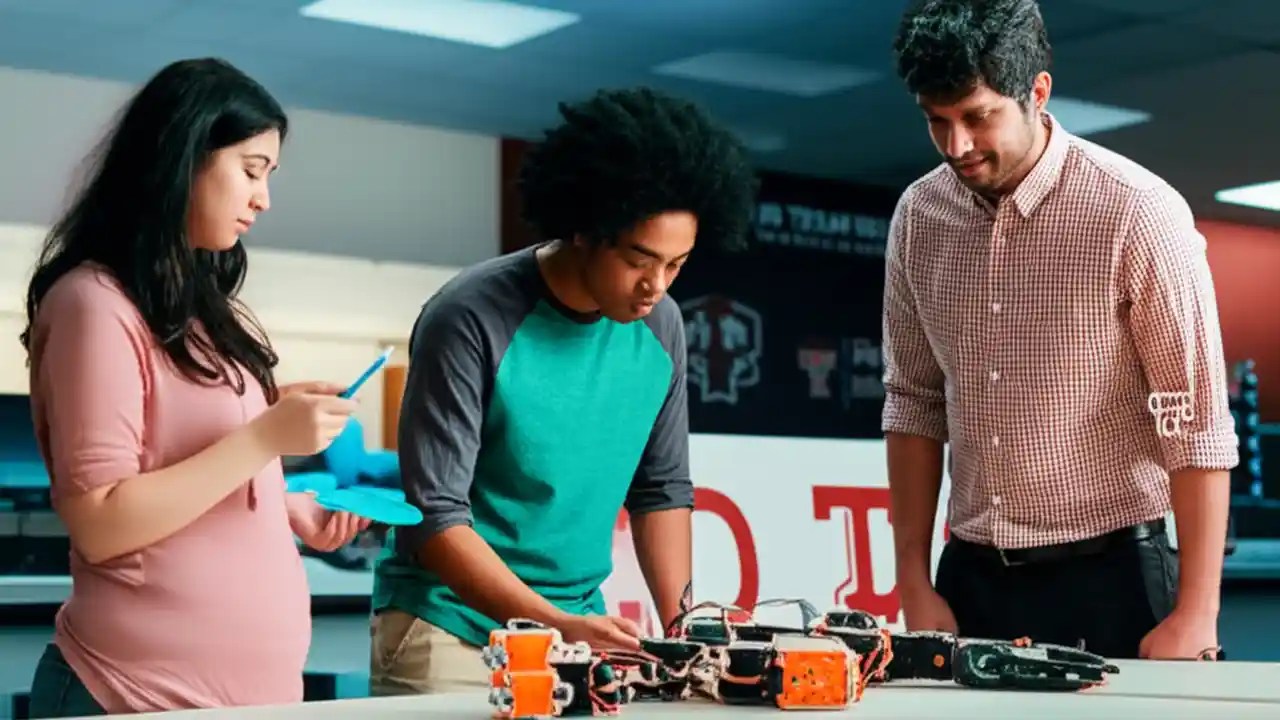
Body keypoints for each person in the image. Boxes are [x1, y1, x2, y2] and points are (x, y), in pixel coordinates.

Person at [368, 86, 758, 695]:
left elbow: (661, 490)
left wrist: (684, 633)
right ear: (585, 229)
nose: (655, 285)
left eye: (676, 264)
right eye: (639, 259)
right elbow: (434, 519)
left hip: (578, 627)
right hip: (448, 625)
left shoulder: (662, 327)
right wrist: (554, 624)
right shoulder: (468, 316)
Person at [882, 0, 1237, 661]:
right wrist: (913, 580)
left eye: (977, 117)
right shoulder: (918, 217)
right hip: (970, 580)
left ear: (1037, 91)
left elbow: (1194, 422)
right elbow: (914, 400)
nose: (956, 145)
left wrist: (1198, 612)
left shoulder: (1138, 211)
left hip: (1114, 577)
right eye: (938, 121)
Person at [22, 57, 371, 717]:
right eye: (251, 170)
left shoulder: (199, 310)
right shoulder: (94, 302)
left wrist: (284, 508)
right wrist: (267, 434)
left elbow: (193, 474)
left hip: (240, 701)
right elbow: (100, 519)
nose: (264, 198)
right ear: (182, 157)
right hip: (128, 694)